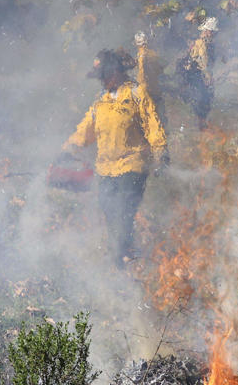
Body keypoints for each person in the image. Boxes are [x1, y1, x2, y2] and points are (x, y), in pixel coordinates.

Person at [63, 48, 169, 268]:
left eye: (104, 75)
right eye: (100, 76)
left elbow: (152, 124)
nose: (102, 80)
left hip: (133, 165)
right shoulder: (100, 102)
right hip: (105, 169)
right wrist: (69, 147)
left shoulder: (136, 94)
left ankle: (121, 260)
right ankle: (124, 256)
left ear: (116, 72)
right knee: (110, 212)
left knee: (124, 211)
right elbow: (86, 129)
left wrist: (160, 150)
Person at [177, 16, 217, 129]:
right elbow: (203, 62)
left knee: (206, 96)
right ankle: (201, 121)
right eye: (210, 31)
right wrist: (208, 76)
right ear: (206, 31)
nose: (212, 34)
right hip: (195, 73)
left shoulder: (208, 43)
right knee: (202, 96)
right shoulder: (201, 43)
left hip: (199, 72)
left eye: (212, 32)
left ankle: (202, 120)